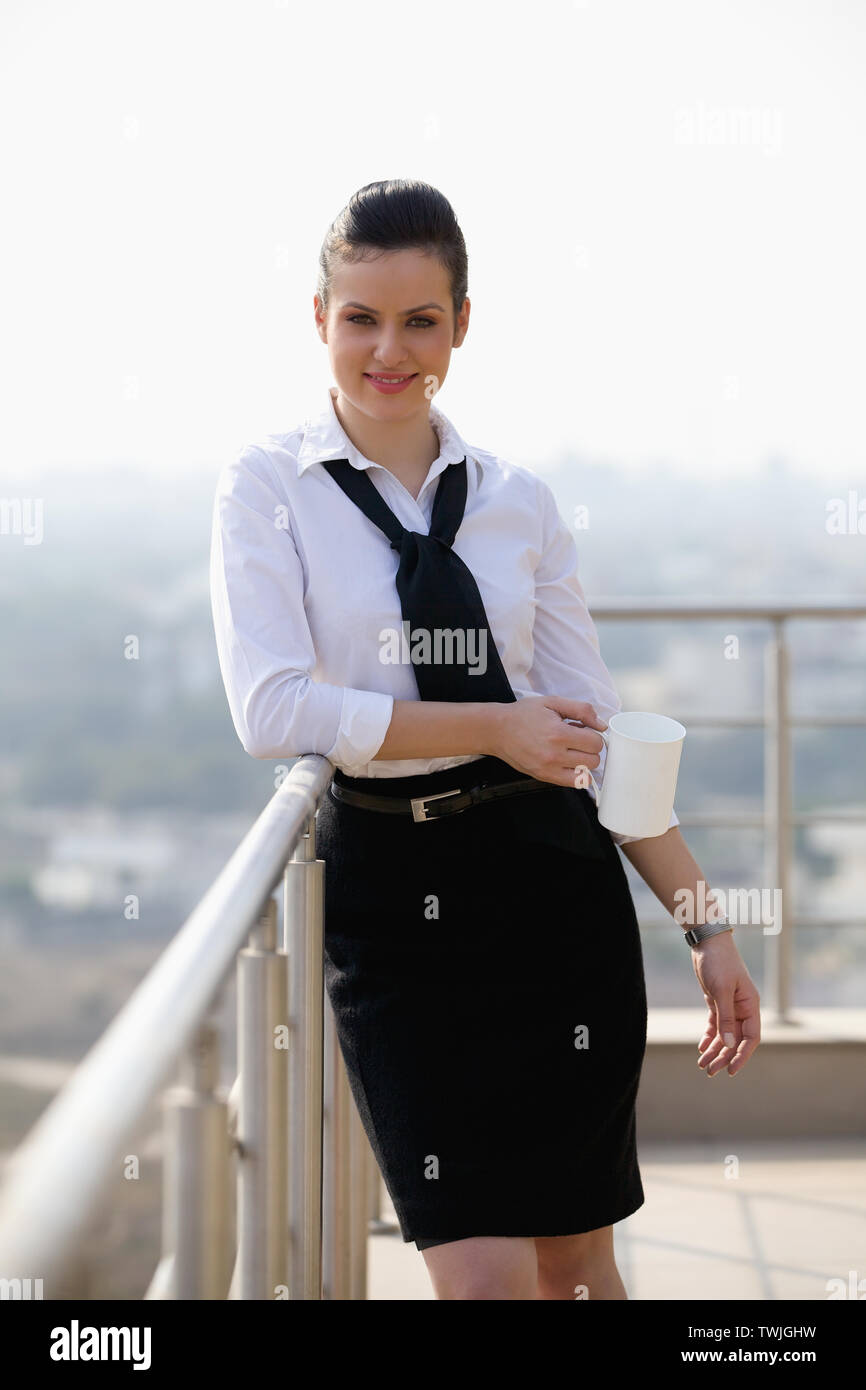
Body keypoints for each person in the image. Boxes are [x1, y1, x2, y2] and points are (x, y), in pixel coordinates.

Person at [209, 178, 761, 1301]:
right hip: (389, 906)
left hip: (551, 894)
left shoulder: (518, 500)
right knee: (480, 1277)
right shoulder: (265, 487)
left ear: (462, 321)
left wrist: (706, 925)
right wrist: (496, 724)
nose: (388, 349)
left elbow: (601, 741)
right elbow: (273, 711)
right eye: (361, 316)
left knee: (577, 1266)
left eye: (420, 319)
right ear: (318, 317)